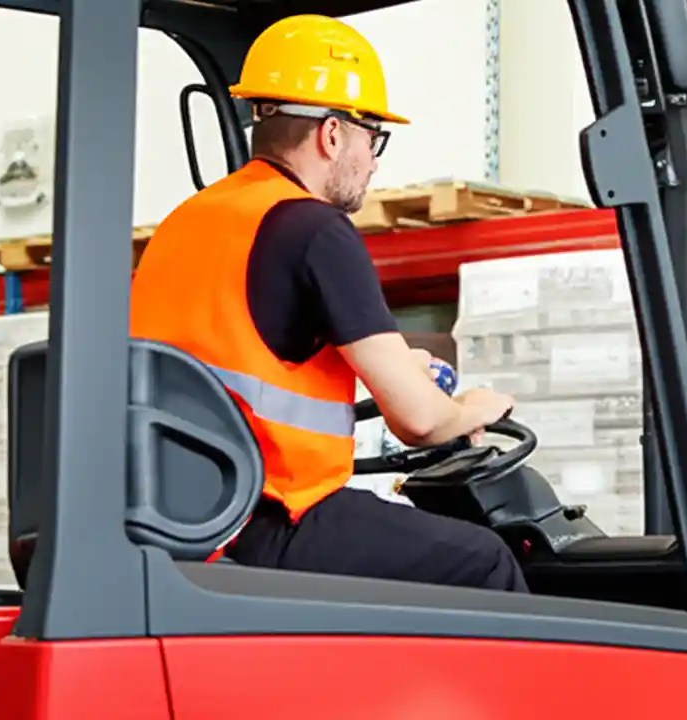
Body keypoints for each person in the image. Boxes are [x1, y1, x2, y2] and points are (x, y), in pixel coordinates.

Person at [128, 14, 526, 592]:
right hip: (268, 518)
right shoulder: (313, 228)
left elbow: (239, 350)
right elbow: (420, 420)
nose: (374, 158)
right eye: (372, 137)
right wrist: (474, 409)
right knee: (484, 559)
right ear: (333, 134)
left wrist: (403, 368)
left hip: (185, 515)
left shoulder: (190, 222)